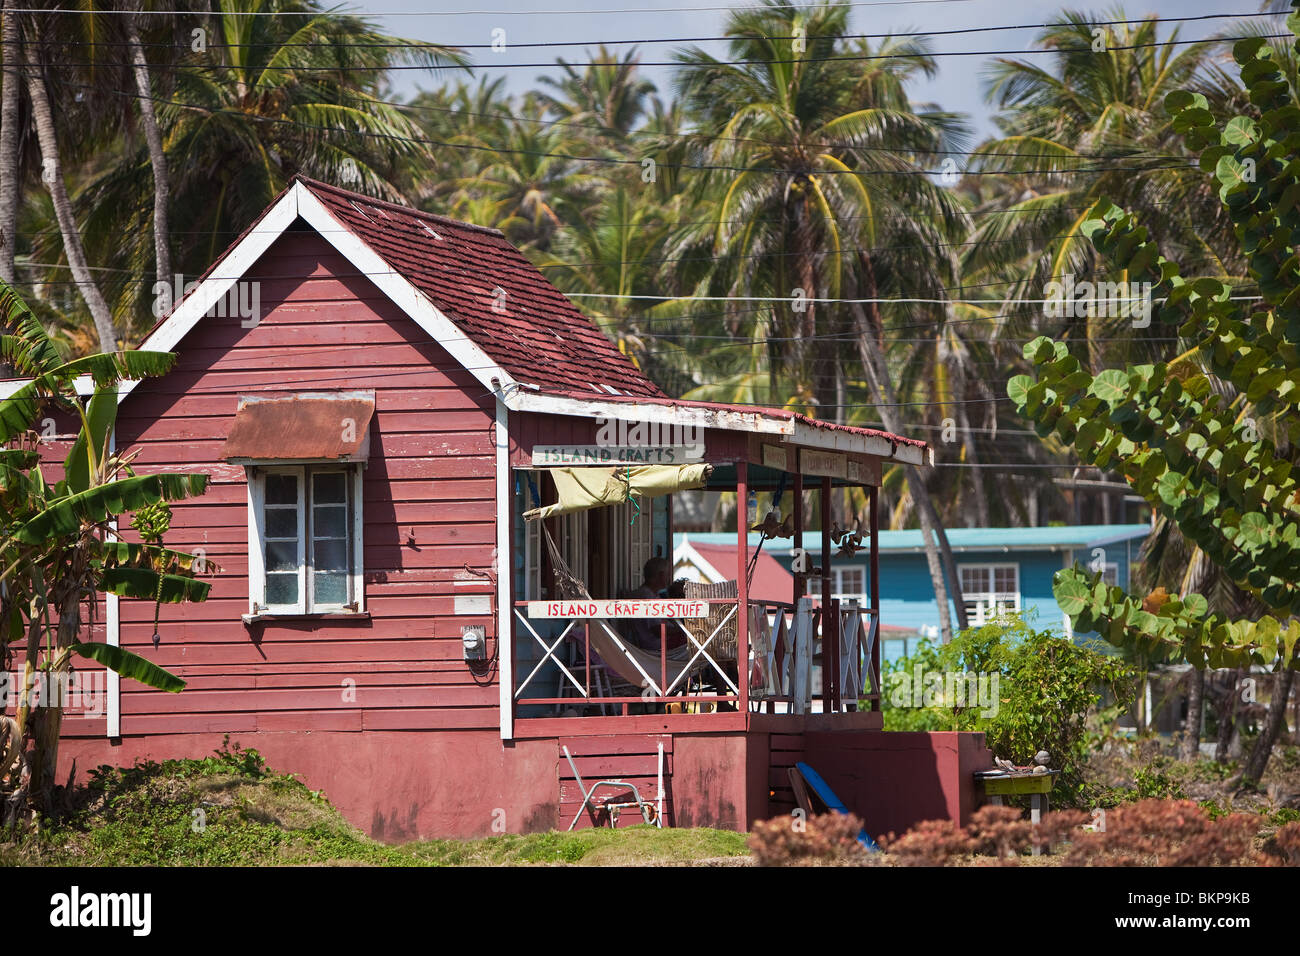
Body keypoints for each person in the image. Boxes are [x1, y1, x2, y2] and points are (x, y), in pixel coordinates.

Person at [629, 558, 688, 653]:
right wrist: (683, 629)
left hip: (665, 645)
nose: (669, 578)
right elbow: (657, 631)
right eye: (668, 575)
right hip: (660, 648)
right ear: (661, 575)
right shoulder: (646, 597)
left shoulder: (652, 595)